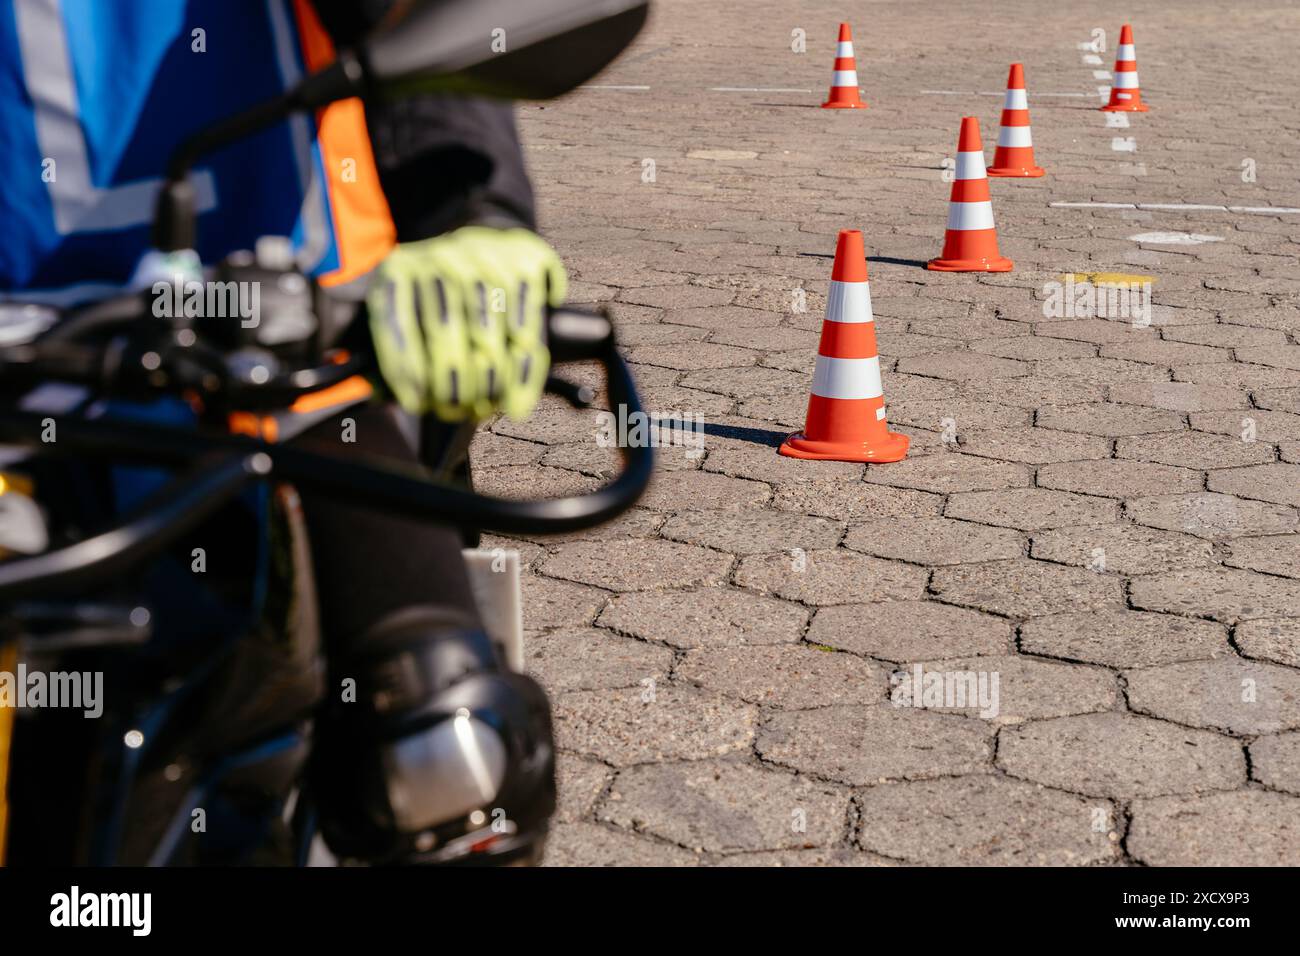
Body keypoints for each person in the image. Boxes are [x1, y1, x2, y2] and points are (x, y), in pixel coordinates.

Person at [0, 0, 561, 864]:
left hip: (276, 354)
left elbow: (411, 13)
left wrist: (469, 217)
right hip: (25, 378)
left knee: (448, 751)